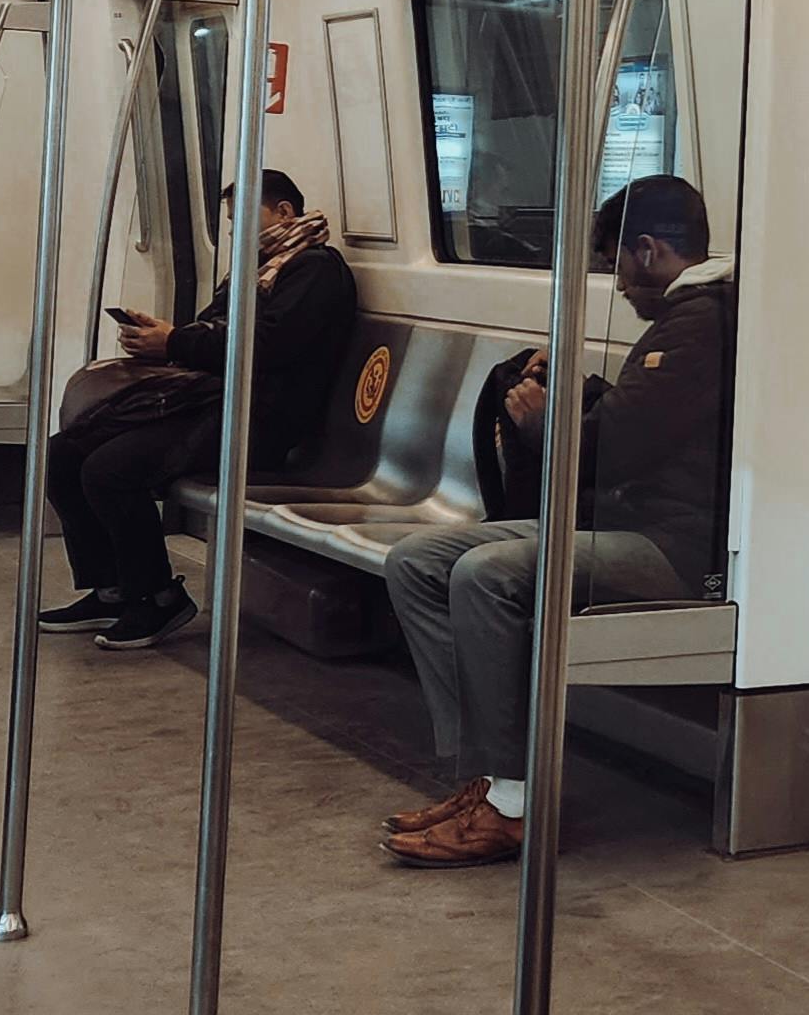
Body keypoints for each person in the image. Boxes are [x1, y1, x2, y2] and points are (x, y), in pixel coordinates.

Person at [381, 173, 734, 868]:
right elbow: (645, 425)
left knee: (486, 574)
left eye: (618, 269)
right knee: (417, 562)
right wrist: (576, 395)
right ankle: (484, 778)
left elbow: (617, 451)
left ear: (649, 250)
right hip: (638, 525)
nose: (621, 287)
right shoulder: (685, 320)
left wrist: (549, 426)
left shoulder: (699, 322)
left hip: (675, 547)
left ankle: (513, 805)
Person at [40, 170, 357, 650]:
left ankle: (158, 597)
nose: (234, 235)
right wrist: (167, 338)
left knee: (110, 469)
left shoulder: (315, 271)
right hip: (209, 402)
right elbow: (213, 331)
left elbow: (265, 346)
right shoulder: (258, 269)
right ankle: (113, 588)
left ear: (284, 213)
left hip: (261, 419)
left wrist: (175, 341)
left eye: (241, 221)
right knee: (64, 453)